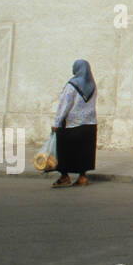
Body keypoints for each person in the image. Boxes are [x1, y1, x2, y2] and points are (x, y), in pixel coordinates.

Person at [51, 59, 98, 187]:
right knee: (84, 151)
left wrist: (57, 122)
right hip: (89, 124)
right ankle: (82, 177)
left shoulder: (71, 85)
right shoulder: (92, 86)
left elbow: (64, 105)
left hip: (72, 124)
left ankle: (64, 176)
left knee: (64, 151)